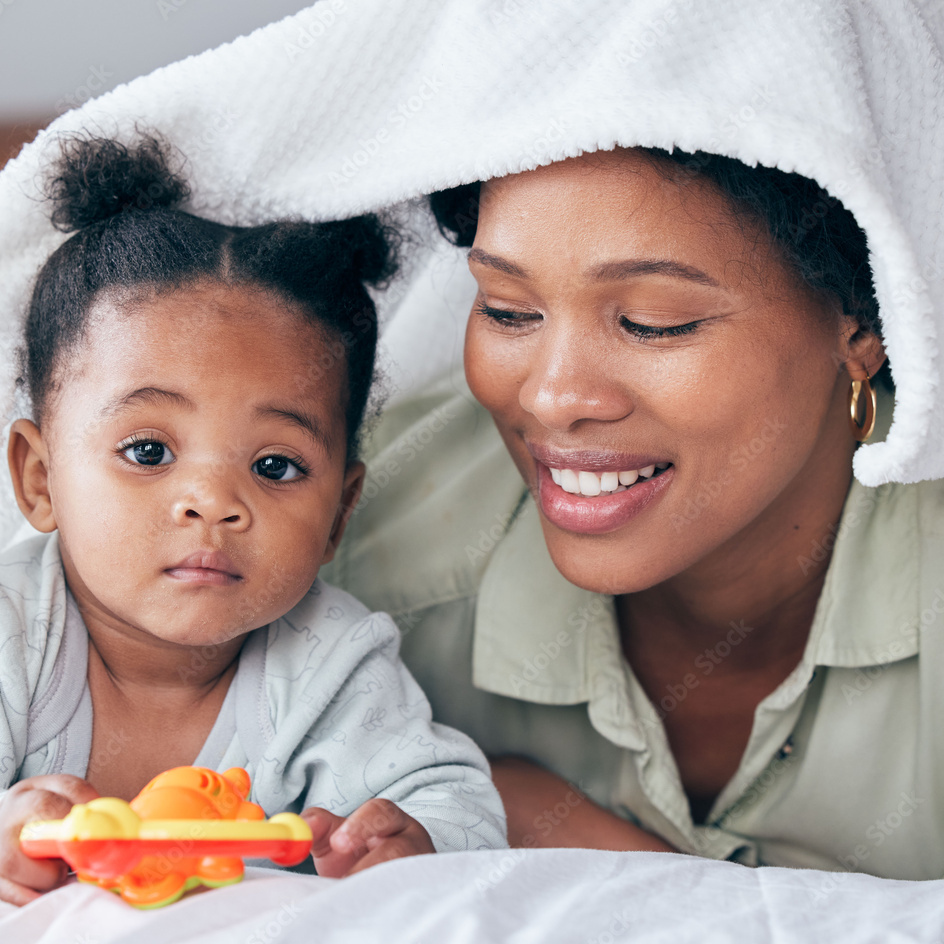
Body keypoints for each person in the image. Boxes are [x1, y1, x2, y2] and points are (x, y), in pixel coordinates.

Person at [322, 144, 944, 880]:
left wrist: (537, 820)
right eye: (507, 310)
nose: (551, 397)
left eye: (653, 323)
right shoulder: (334, 538)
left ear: (861, 325)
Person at [0, 135, 506, 906]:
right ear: (40, 480)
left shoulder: (326, 662)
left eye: (275, 466)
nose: (212, 501)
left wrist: (416, 845)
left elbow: (457, 803)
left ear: (338, 514)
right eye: (148, 451)